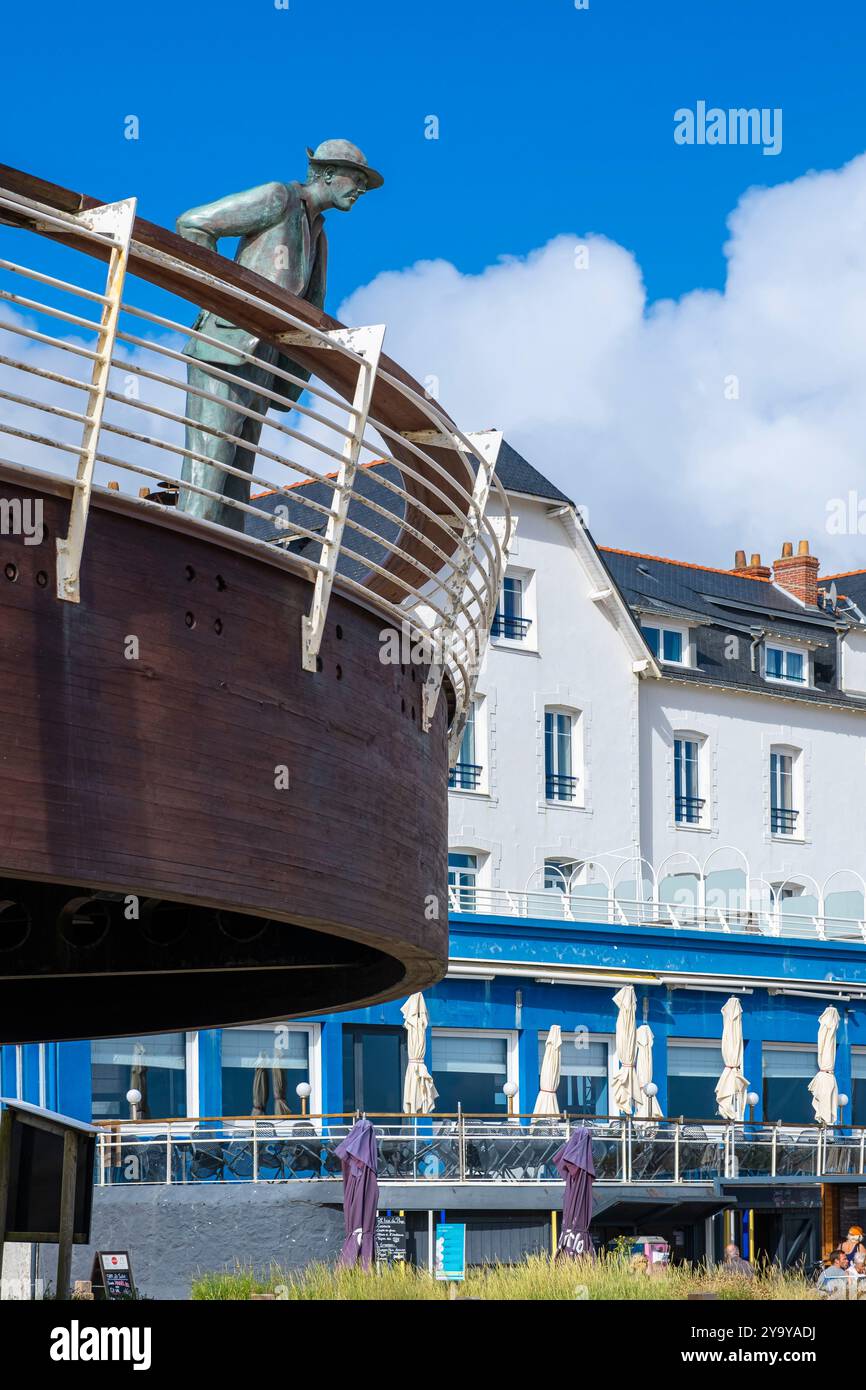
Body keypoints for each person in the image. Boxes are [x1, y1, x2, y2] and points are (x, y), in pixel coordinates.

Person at [175, 140, 384, 531]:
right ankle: (186, 555)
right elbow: (194, 223)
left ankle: (225, 571)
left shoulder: (319, 234)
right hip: (227, 349)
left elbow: (310, 308)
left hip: (264, 363)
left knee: (234, 490)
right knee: (207, 475)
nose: (360, 190)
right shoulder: (278, 197)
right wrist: (217, 300)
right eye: (356, 179)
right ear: (325, 173)